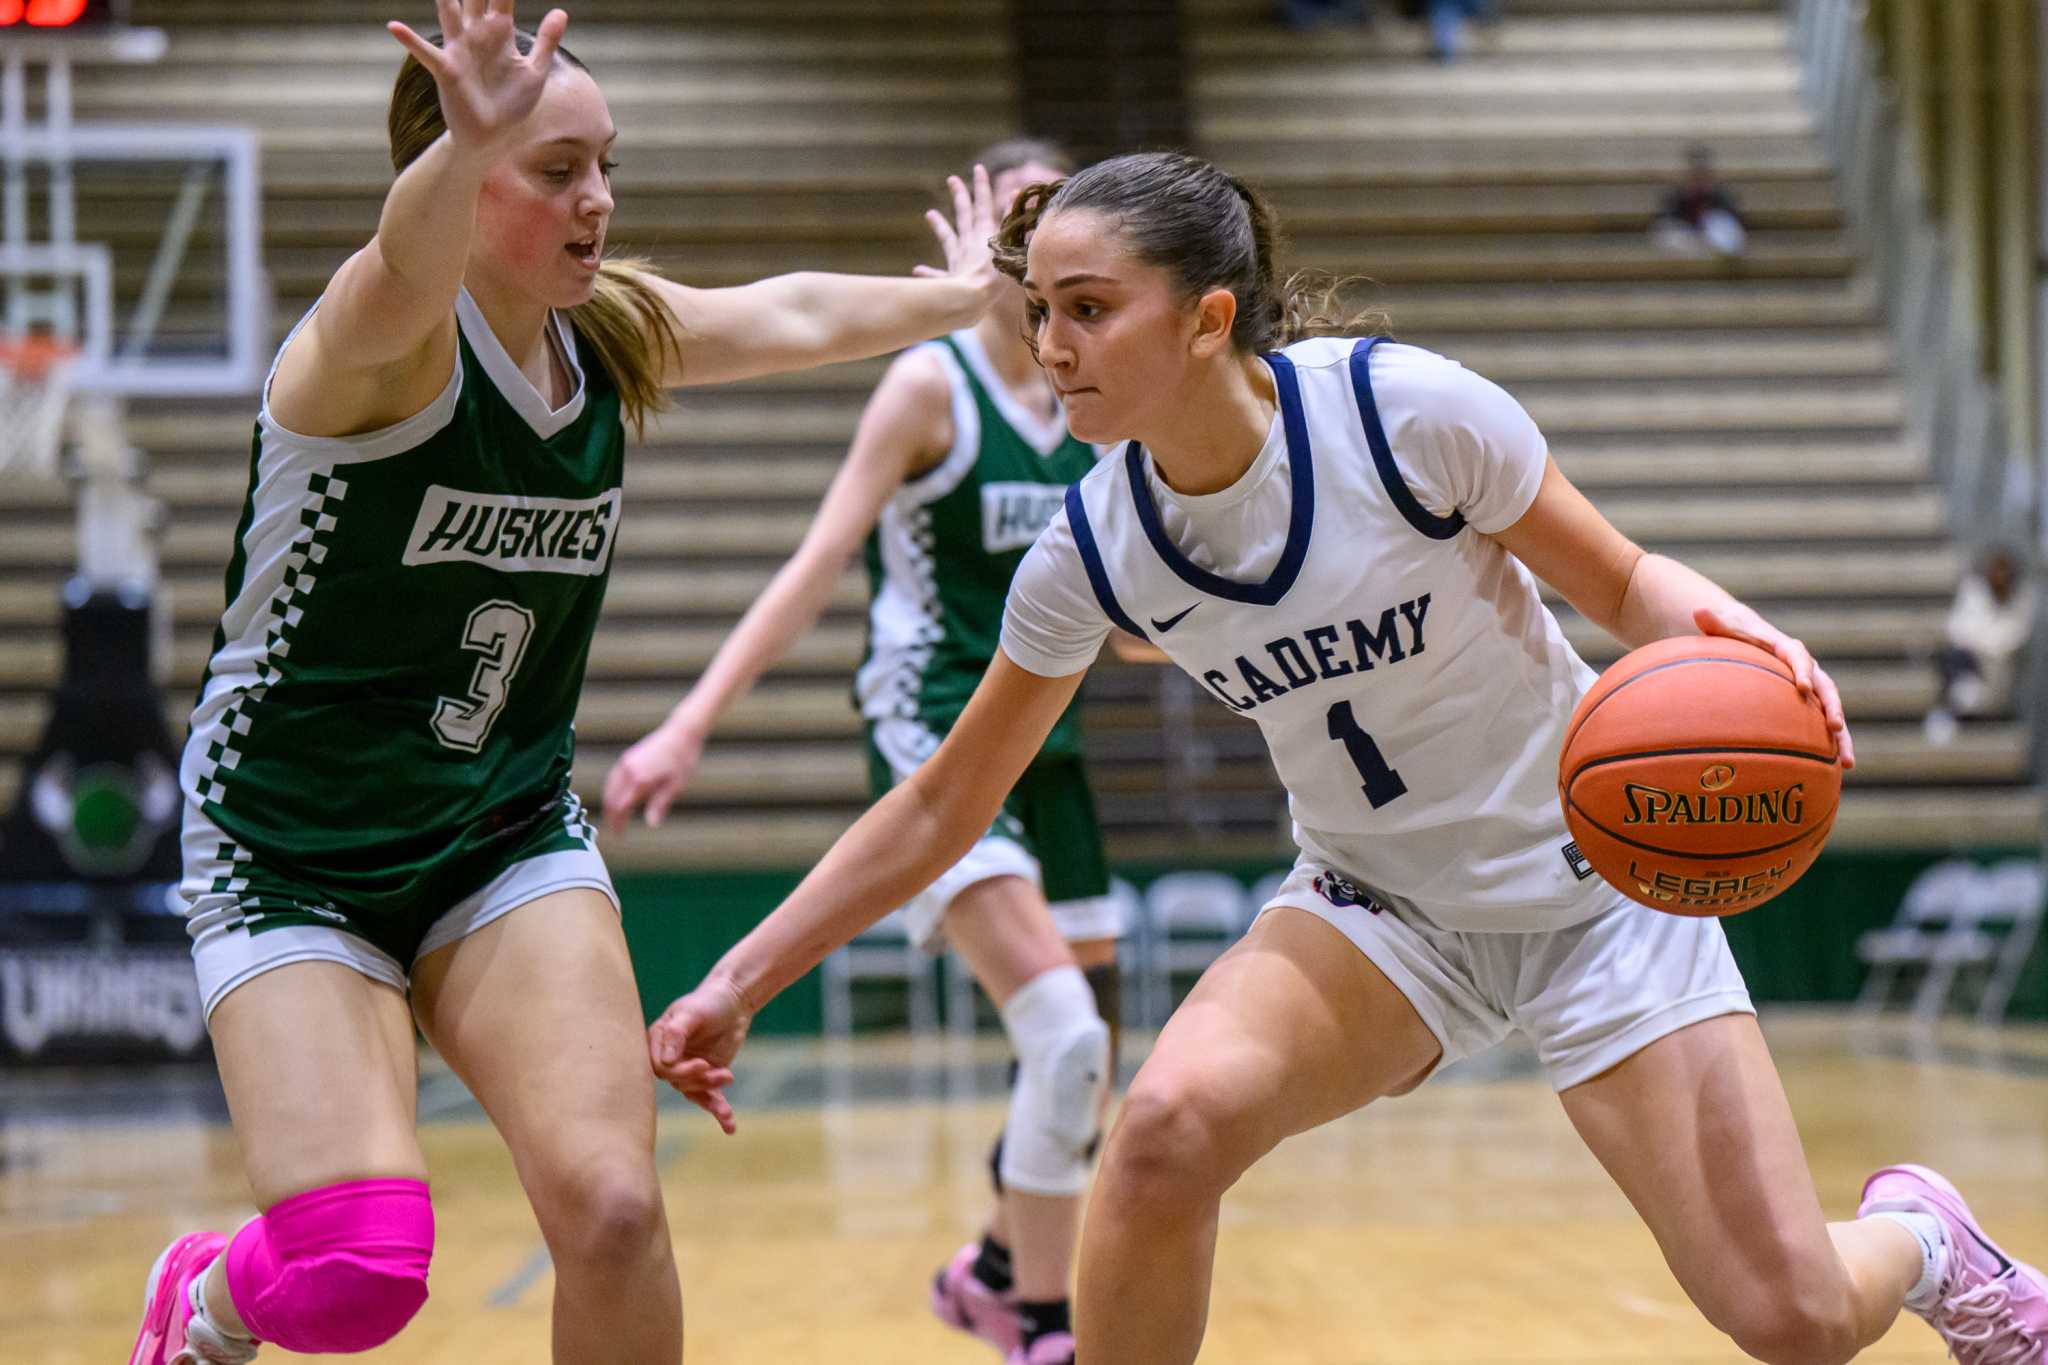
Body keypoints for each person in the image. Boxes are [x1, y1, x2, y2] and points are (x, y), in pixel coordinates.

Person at [644, 150, 2048, 1365]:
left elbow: (1623, 587)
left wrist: (1734, 635)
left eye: (1087, 309)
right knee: (1163, 1130)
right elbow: (948, 801)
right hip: (1379, 911)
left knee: (1790, 1315)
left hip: (1595, 892)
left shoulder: (1401, 413)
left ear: (1203, 319)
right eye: (1037, 310)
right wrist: (736, 976)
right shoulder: (1093, 546)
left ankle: (1924, 1240)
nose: (1048, 344)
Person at [130, 4, 1006, 1363]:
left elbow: (790, 313)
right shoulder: (365, 352)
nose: (596, 198)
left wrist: (963, 301)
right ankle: (206, 1294)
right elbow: (398, 266)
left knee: (608, 1207)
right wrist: (463, 140)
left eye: (605, 164)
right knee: (358, 1272)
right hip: (291, 848)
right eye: (554, 169)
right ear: (459, 175)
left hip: (501, 829)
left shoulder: (603, 332)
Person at [603, 138, 1137, 1365]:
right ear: (987, 236)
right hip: (928, 726)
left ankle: (996, 1265)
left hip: (1044, 743)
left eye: (1065, 212)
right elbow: (814, 567)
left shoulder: (1099, 398)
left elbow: (1136, 605)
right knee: (1060, 1039)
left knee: (1084, 1063)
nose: (1044, 237)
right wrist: (689, 721)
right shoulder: (930, 388)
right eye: (1022, 216)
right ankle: (1041, 1325)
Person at [1925, 544, 2033, 744]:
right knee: (1951, 657)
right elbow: (1957, 629)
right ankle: (1954, 704)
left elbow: (2010, 640)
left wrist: (1980, 642)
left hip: (1995, 673)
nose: (2000, 576)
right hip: (1966, 661)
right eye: (1996, 570)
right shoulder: (1974, 592)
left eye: (2005, 571)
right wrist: (1981, 642)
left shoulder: (2022, 601)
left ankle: (1953, 706)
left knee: (1958, 668)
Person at [1652, 143, 1749, 257]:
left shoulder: (1722, 196)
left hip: (1715, 242)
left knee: (1720, 224)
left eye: (1702, 175)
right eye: (1695, 175)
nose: (1699, 179)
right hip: (1686, 240)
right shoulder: (1676, 197)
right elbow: (1666, 223)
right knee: (1668, 234)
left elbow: (1733, 226)